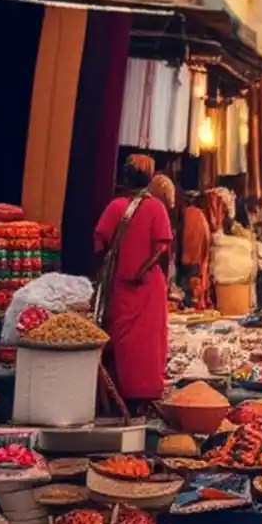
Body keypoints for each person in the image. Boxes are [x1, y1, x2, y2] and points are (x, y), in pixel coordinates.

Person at [94, 158, 173, 412]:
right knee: (148, 342)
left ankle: (119, 394)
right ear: (149, 179)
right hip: (147, 287)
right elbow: (161, 248)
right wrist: (141, 271)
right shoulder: (156, 208)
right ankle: (144, 395)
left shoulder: (115, 206)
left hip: (119, 286)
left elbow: (99, 244)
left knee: (121, 339)